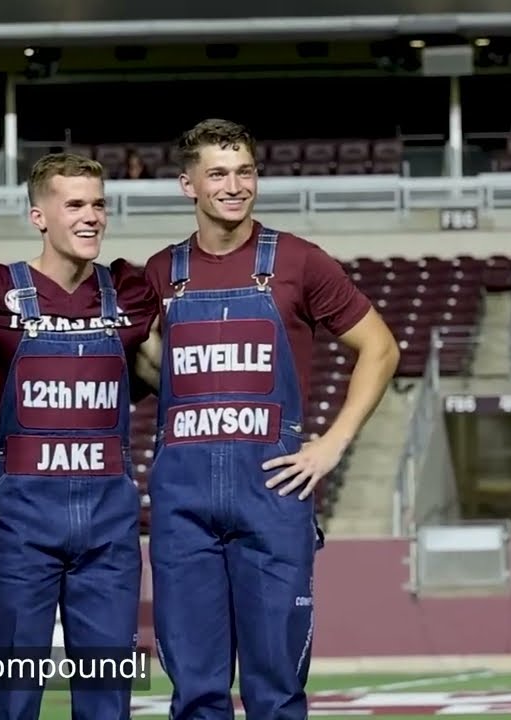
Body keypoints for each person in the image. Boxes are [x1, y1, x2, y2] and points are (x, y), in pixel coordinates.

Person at [130, 118, 401, 720]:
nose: (234, 185)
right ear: (187, 185)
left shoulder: (300, 262)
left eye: (245, 171)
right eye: (218, 173)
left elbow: (380, 348)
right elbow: (152, 374)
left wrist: (333, 443)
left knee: (276, 693)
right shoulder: (158, 273)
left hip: (273, 496)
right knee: (195, 693)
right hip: (182, 506)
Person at [0, 153, 159, 720]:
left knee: (108, 694)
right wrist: (8, 439)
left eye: (98, 204)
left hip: (110, 534)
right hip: (21, 530)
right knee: (12, 693)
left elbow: (175, 380)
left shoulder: (131, 295)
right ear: (39, 216)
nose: (91, 217)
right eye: (75, 205)